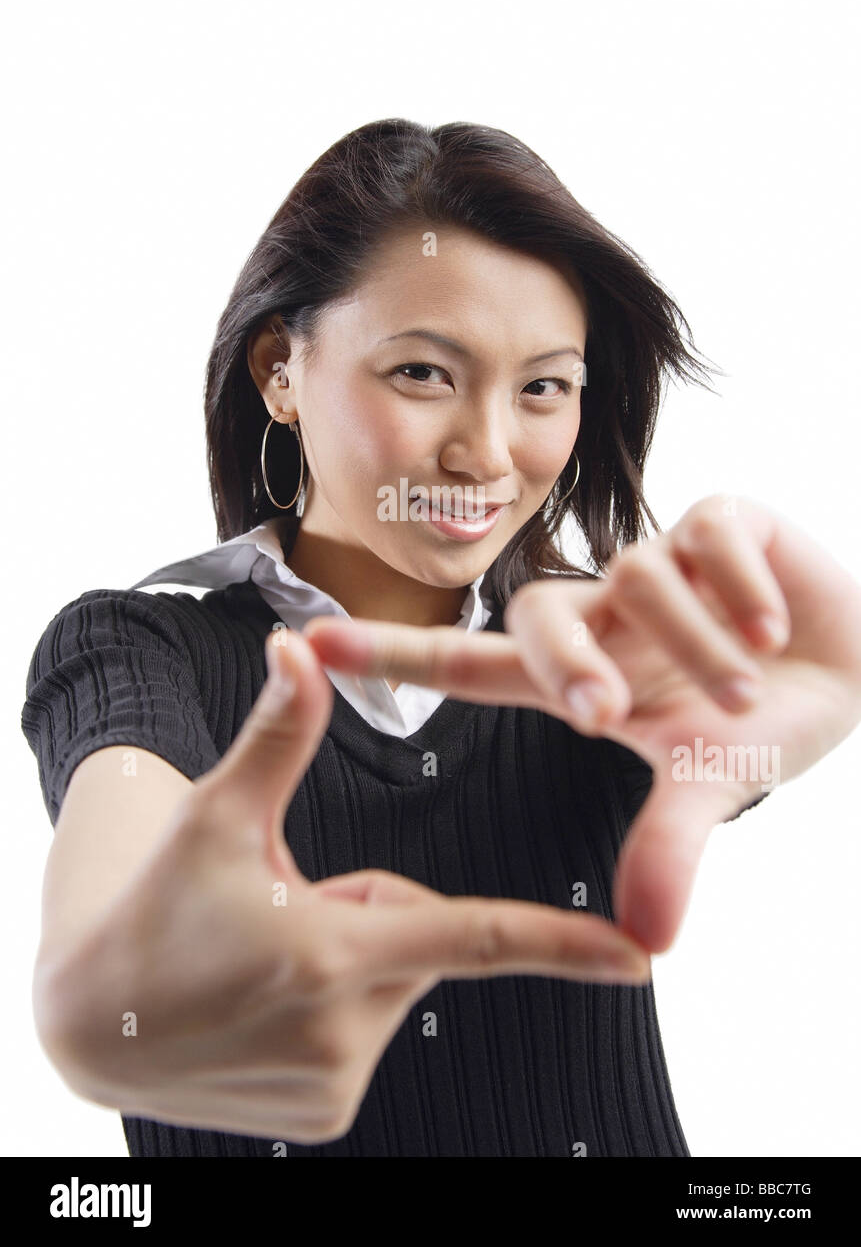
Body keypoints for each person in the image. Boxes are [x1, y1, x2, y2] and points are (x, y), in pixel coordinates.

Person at [22, 118, 861, 1158]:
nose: (488, 452)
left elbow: (714, 750)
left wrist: (799, 689)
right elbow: (117, 879)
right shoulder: (143, 650)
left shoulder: (597, 665)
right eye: (423, 373)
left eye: (544, 387)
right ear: (281, 369)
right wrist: (118, 985)